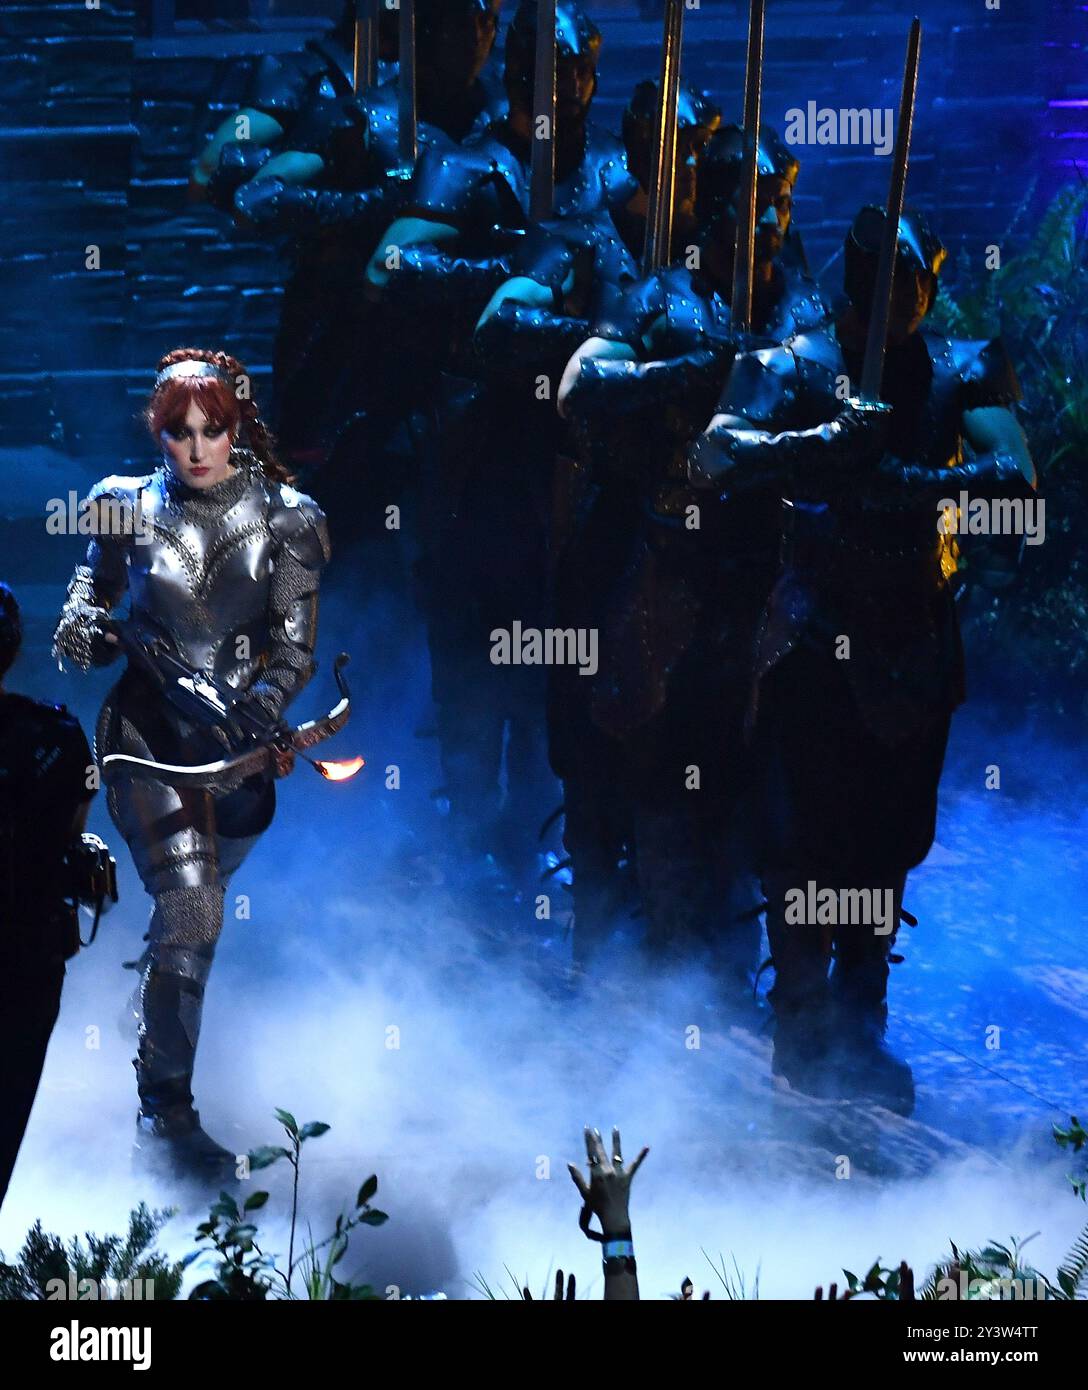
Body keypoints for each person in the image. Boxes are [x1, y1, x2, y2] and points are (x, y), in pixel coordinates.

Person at [686, 207, 1036, 1112]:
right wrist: (817, 447)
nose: (896, 303)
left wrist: (911, 484)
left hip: (913, 634)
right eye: (878, 287)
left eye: (911, 284)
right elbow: (713, 452)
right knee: (802, 839)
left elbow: (1014, 481)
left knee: (885, 847)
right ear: (849, 286)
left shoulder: (962, 370)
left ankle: (857, 1022)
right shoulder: (794, 364)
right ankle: (799, 1017)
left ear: (933, 278)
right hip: (814, 633)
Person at [365, 1, 637, 894]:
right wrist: (513, 265)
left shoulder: (613, 183)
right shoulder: (468, 166)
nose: (567, 90)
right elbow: (393, 265)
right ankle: (470, 869)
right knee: (478, 676)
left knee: (562, 679)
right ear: (517, 76)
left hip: (580, 465)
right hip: (483, 466)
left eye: (579, 74)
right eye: (549, 74)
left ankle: (546, 853)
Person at [552, 124, 826, 975]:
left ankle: (761, 980)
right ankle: (654, 962)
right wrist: (674, 372)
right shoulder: (664, 298)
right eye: (754, 207)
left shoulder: (801, 306)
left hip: (771, 569)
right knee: (658, 764)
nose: (769, 225)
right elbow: (578, 385)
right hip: (673, 566)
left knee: (771, 775)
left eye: (780, 205)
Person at [53, 349, 330, 1180]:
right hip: (143, 741)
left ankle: (153, 1019)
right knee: (194, 909)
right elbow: (82, 610)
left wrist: (265, 705)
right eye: (180, 433)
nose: (198, 447)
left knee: (190, 924)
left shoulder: (291, 519)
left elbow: (295, 649)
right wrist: (87, 632)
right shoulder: (121, 508)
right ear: (159, 433)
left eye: (213, 429)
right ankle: (163, 1122)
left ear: (238, 425)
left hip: (236, 756)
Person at [0, 584, 96, 1207]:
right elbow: (76, 829)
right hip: (28, 960)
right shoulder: (55, 733)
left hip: (27, 956)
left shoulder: (54, 733)